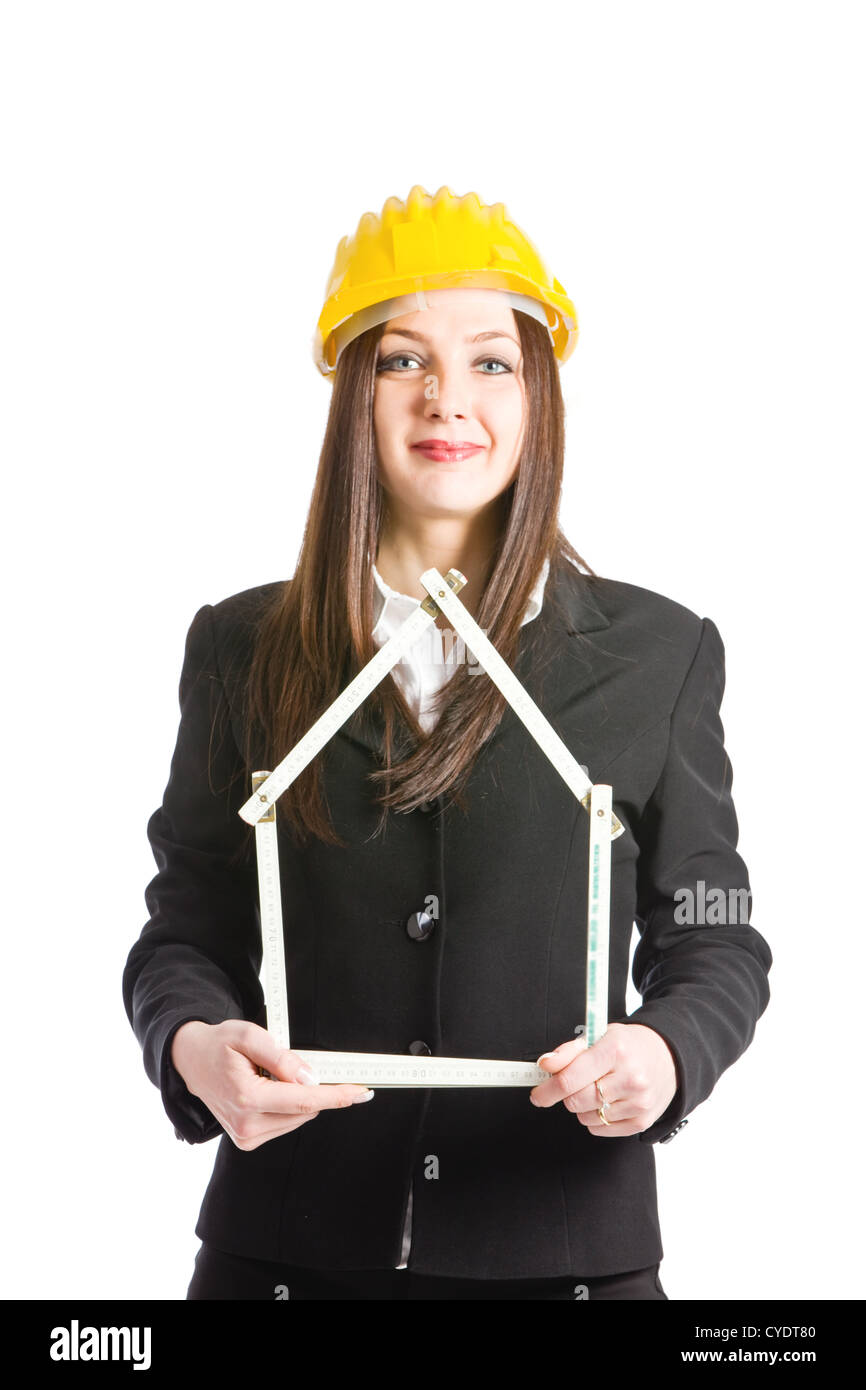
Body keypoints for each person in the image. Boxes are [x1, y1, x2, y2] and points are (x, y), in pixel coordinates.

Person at [122, 185, 772, 1301]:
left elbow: (711, 935)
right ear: (352, 394)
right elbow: (187, 929)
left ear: (537, 394)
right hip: (284, 1255)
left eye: (489, 362)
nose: (444, 398)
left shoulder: (661, 653)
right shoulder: (240, 646)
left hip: (566, 1257)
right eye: (400, 359)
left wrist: (662, 1052)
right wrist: (195, 1046)